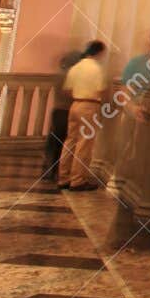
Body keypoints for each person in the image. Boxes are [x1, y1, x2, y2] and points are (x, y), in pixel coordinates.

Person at [58, 40, 107, 191]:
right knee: (84, 144)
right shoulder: (97, 69)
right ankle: (78, 180)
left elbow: (67, 90)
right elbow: (101, 91)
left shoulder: (75, 68)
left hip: (75, 104)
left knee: (70, 141)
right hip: (89, 105)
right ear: (99, 53)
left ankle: (63, 177)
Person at [43, 46, 85, 192]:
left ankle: (50, 170)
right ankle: (59, 172)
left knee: (54, 141)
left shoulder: (60, 73)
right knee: (63, 143)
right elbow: (70, 92)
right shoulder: (70, 75)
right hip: (66, 111)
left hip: (57, 110)